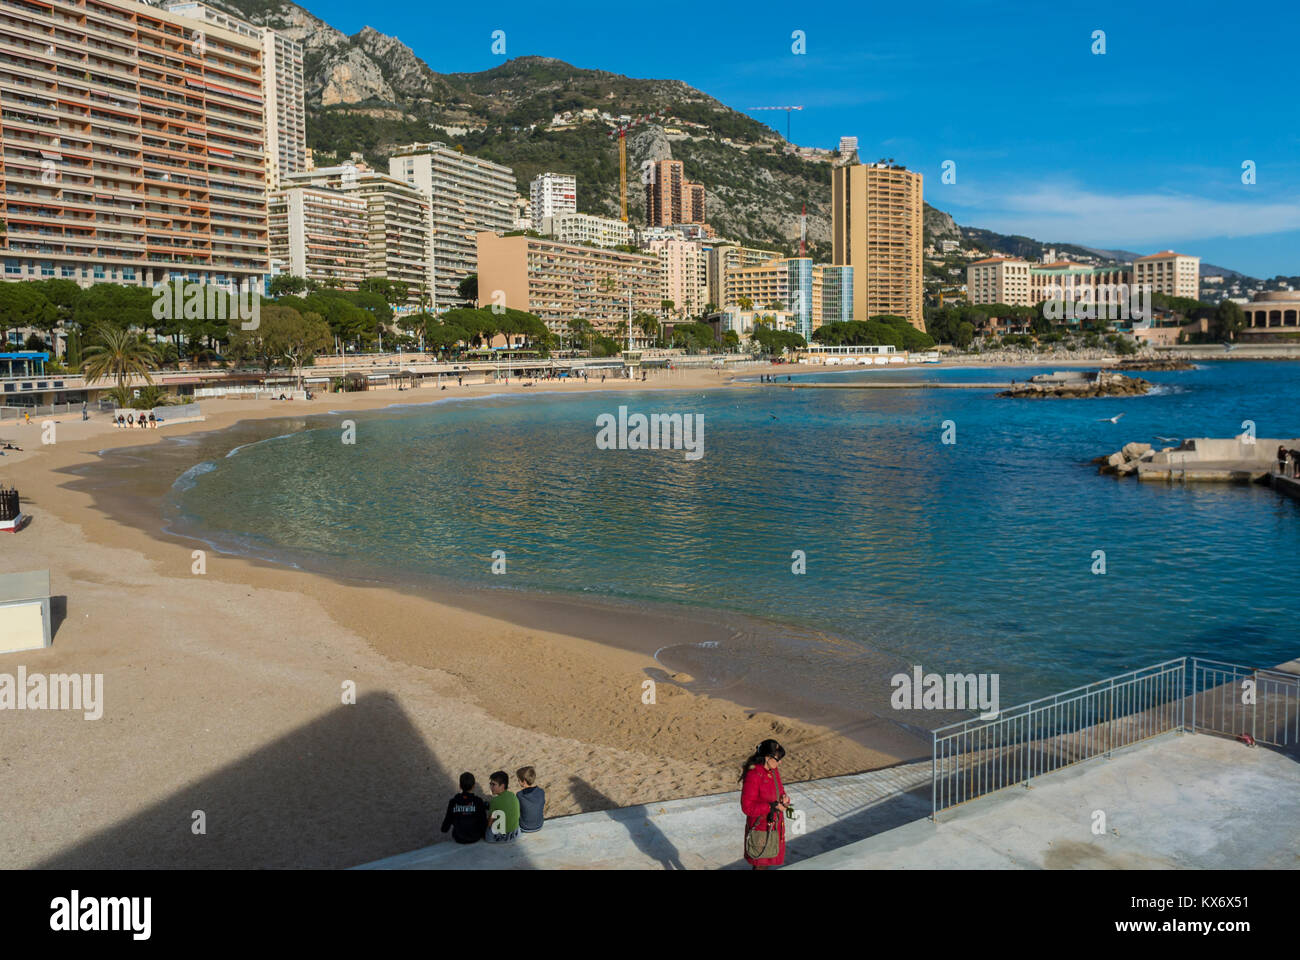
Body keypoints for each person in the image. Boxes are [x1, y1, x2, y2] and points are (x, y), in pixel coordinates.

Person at [739, 739, 790, 870]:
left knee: (766, 863)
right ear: (767, 757)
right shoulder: (754, 774)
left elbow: (780, 791)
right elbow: (747, 807)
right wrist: (771, 806)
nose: (780, 762)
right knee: (760, 866)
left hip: (774, 826)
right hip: (760, 829)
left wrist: (785, 800)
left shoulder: (773, 770)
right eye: (778, 759)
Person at [440, 772, 488, 844]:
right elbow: (483, 822)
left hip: (459, 838)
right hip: (475, 836)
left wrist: (444, 829)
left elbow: (446, 823)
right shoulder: (478, 801)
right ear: (473, 786)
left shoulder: (453, 802)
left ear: (460, 786)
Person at [484, 770, 521, 843]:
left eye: (493, 784)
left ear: (502, 786)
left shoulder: (495, 801)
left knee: (487, 833)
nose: (491, 787)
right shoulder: (513, 795)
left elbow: (489, 823)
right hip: (515, 834)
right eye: (490, 784)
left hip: (502, 836)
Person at [516, 766, 545, 833]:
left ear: (524, 782)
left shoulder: (519, 795)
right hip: (539, 825)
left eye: (519, 780)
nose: (518, 781)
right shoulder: (541, 792)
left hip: (525, 828)